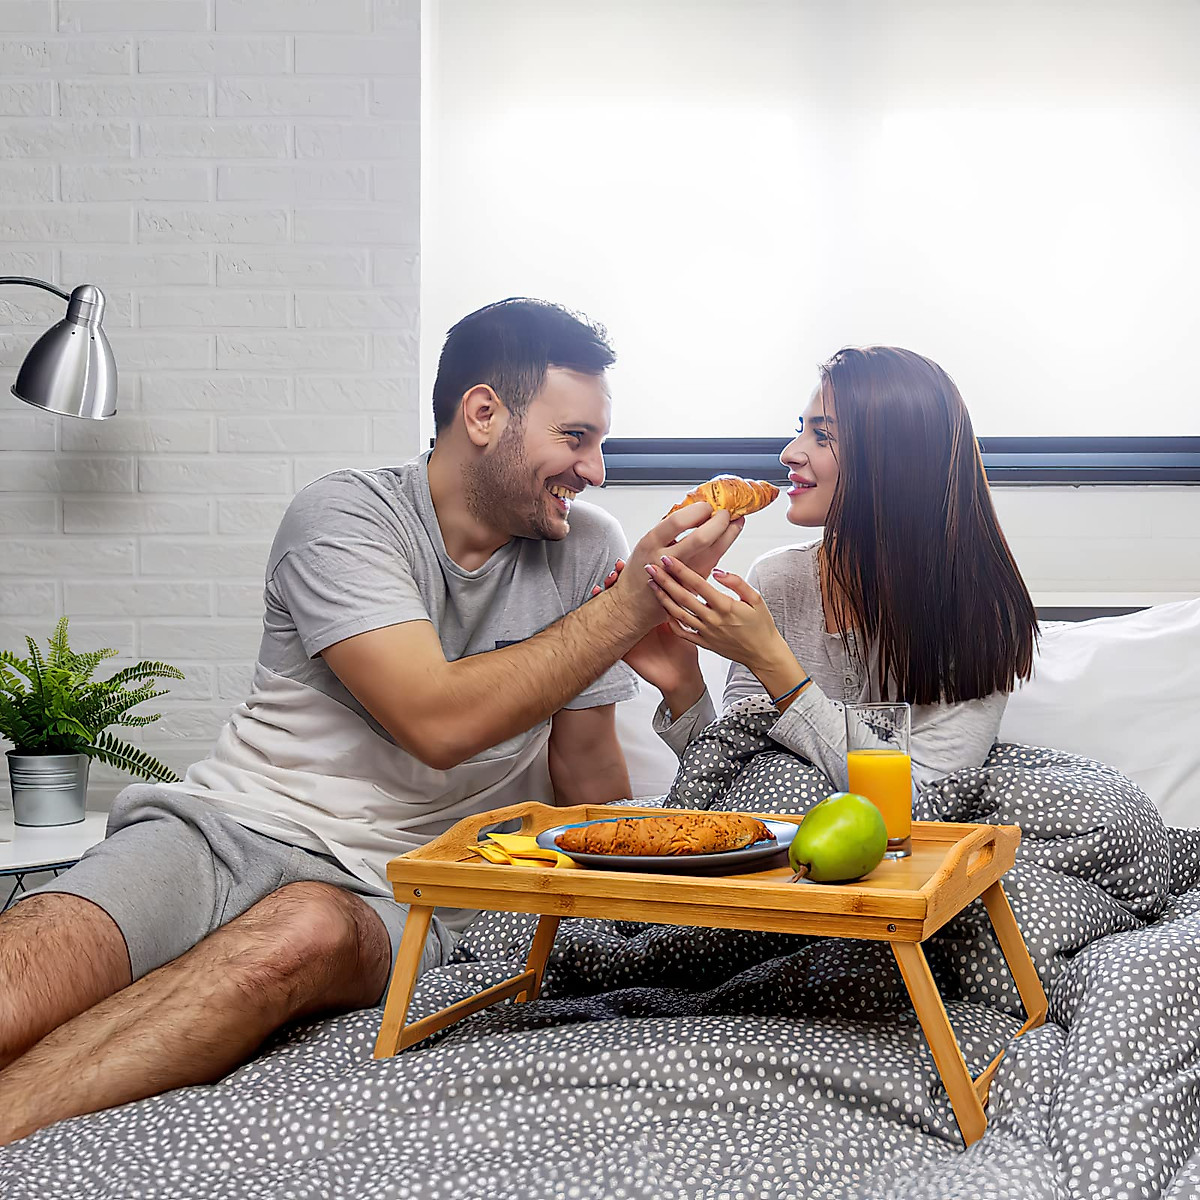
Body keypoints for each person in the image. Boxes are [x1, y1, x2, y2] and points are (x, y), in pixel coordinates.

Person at [0, 298, 742, 1145]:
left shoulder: (586, 546)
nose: (597, 470)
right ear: (483, 413)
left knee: (298, 937)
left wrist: (618, 919)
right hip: (225, 829)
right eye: (576, 438)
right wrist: (623, 612)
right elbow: (434, 718)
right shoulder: (347, 515)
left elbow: (586, 777)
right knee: (44, 955)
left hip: (406, 885)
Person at [614, 345, 1038, 792]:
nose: (789, 454)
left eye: (822, 436)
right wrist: (682, 686)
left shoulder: (979, 609)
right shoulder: (777, 581)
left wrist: (769, 658)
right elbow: (735, 777)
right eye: (801, 430)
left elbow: (914, 801)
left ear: (893, 462)